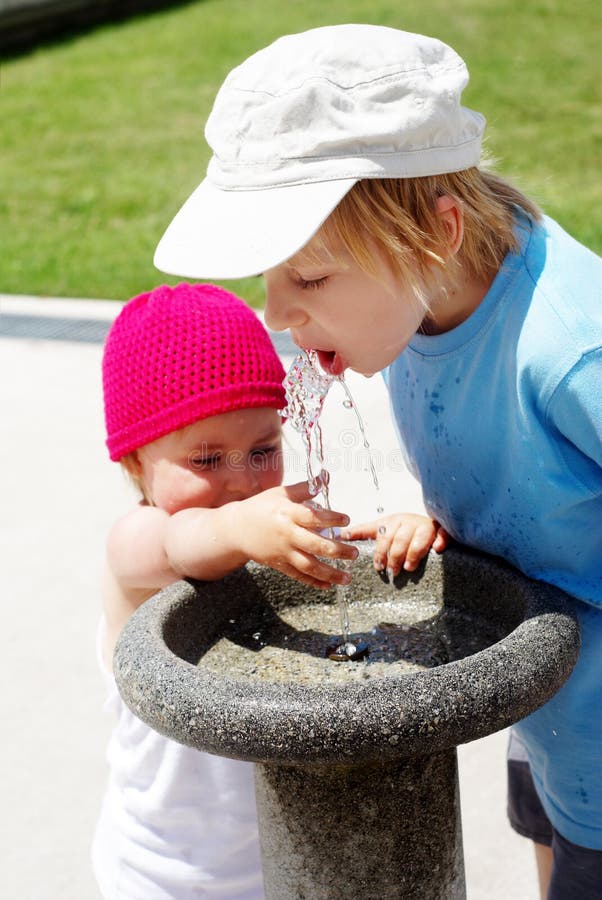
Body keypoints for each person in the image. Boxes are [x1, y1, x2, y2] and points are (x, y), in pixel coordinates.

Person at [152, 24, 602, 899]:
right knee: (546, 836)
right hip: (551, 713)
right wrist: (449, 519)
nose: (279, 314)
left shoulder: (571, 353)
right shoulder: (418, 302)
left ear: (436, 233)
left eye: (310, 279)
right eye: (272, 280)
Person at [93, 280, 447, 899]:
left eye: (262, 450)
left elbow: (351, 563)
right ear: (134, 463)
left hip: (294, 866)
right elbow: (181, 544)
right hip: (170, 877)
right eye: (207, 460)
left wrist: (402, 536)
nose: (242, 482)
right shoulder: (137, 546)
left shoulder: (264, 532)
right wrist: (237, 527)